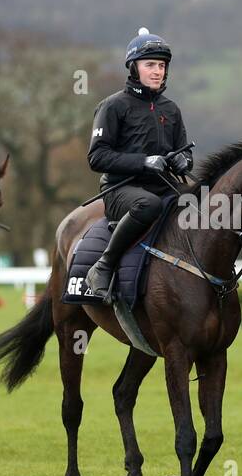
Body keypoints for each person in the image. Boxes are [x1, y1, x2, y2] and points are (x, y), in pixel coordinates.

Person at [82, 28, 193, 299]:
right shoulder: (112, 106)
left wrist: (183, 161)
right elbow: (97, 157)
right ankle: (103, 266)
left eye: (161, 65)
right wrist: (144, 162)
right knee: (149, 205)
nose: (157, 71)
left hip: (163, 186)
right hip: (120, 190)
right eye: (150, 65)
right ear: (134, 68)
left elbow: (185, 155)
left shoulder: (171, 109)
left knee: (203, 201)